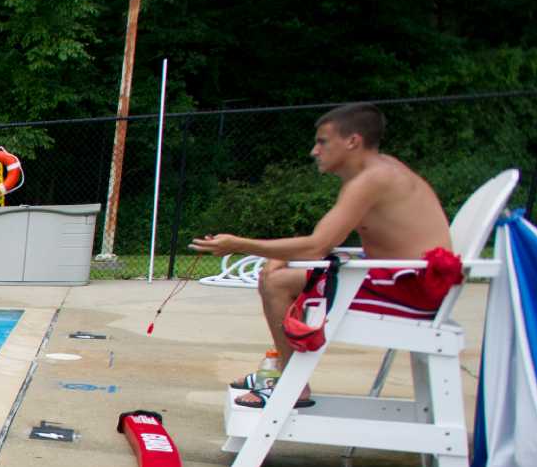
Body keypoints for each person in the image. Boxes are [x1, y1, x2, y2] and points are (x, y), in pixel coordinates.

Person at [190, 102, 458, 409]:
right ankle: (283, 371)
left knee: (277, 283)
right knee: (276, 273)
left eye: (322, 141)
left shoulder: (373, 180)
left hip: (410, 290)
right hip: (403, 280)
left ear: (352, 141)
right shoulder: (374, 173)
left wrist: (239, 244)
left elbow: (316, 246)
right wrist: (283, 256)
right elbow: (325, 239)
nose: (314, 151)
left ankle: (292, 384)